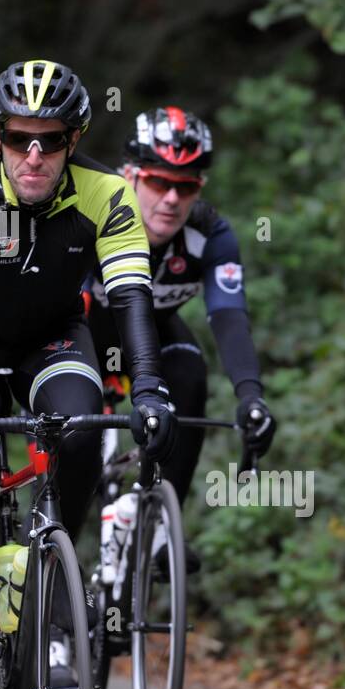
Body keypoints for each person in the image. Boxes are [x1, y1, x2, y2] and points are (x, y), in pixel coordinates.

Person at [0, 59, 178, 689]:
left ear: (73, 141)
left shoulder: (107, 196)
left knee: (84, 431)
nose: (34, 155)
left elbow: (129, 299)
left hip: (54, 343)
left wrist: (150, 390)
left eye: (52, 141)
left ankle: (56, 611)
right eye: (20, 139)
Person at [87, 106, 277, 573]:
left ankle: (157, 526)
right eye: (158, 181)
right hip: (82, 337)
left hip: (152, 337)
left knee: (190, 373)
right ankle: (55, 588)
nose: (171, 198)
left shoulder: (209, 235)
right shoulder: (90, 214)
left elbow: (229, 317)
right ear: (129, 175)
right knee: (76, 453)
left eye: (187, 185)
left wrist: (251, 397)